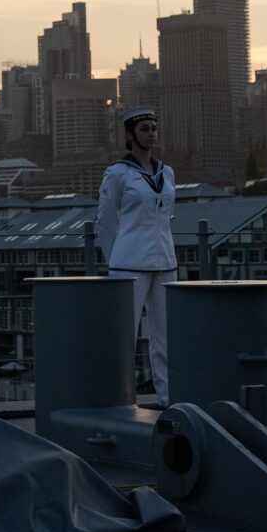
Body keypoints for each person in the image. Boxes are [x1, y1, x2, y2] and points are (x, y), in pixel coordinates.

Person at [97, 106, 176, 404]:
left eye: (154, 128)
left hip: (166, 261)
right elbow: (105, 221)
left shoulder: (167, 172)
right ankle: (119, 398)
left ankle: (169, 398)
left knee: (166, 337)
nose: (151, 133)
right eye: (144, 129)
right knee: (124, 335)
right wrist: (113, 259)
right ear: (129, 135)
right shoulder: (117, 173)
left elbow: (167, 216)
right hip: (129, 263)